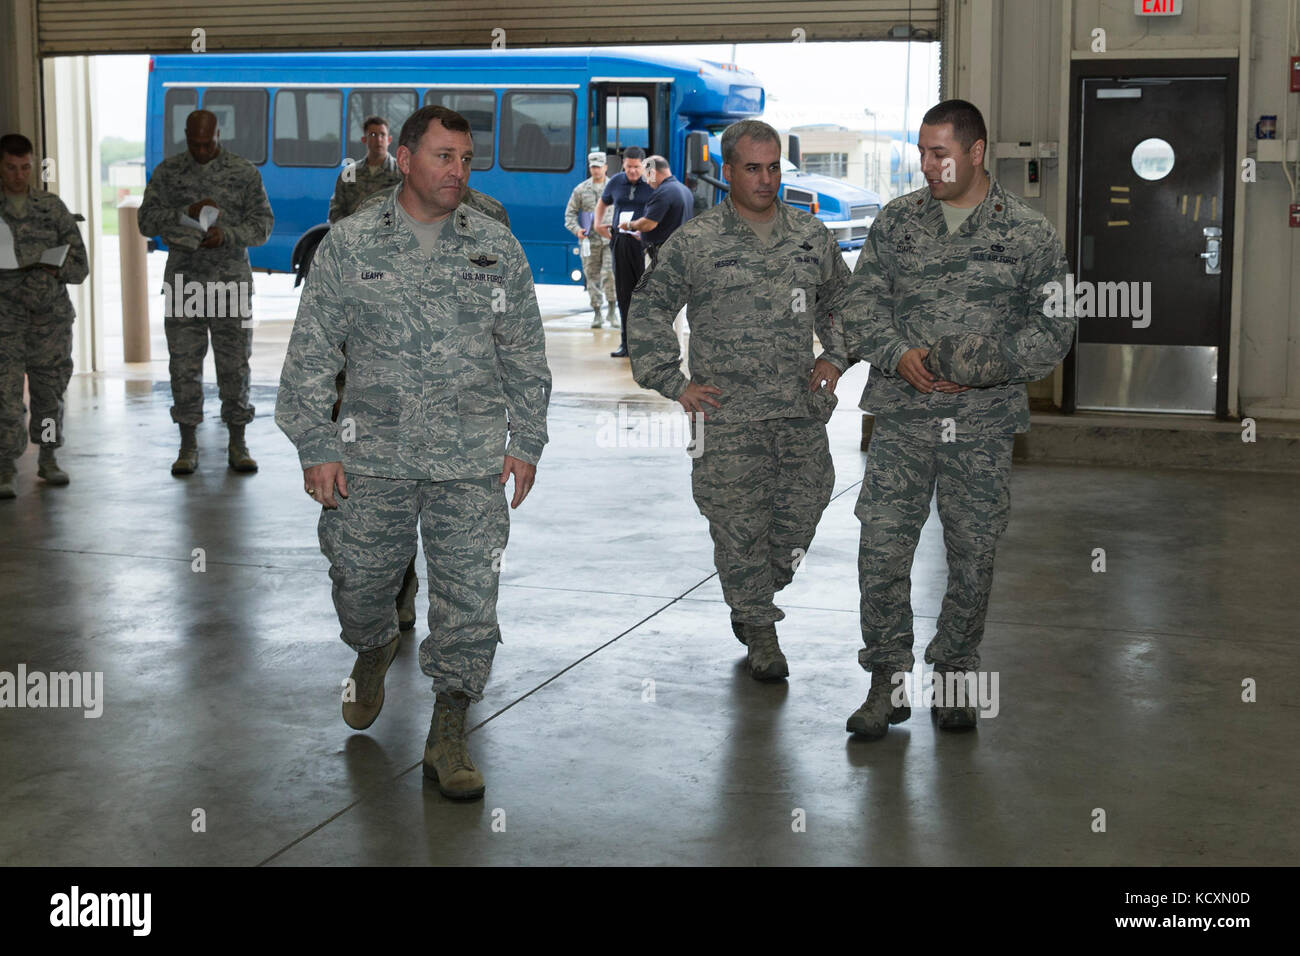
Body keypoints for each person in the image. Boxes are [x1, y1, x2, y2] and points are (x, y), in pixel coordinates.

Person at [275, 105, 551, 801]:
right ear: (403, 159)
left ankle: (448, 727)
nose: (458, 170)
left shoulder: (495, 248)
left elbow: (524, 353)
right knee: (358, 579)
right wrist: (315, 444)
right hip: (371, 456)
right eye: (442, 156)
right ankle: (372, 646)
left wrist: (528, 442)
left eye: (465, 158)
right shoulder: (351, 243)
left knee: (469, 599)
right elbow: (310, 354)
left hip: (471, 458)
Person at [841, 99, 1072, 739]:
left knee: (973, 555)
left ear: (976, 151)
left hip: (981, 425)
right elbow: (860, 306)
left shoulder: (1029, 234)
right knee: (881, 550)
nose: (928, 165)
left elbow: (1056, 329)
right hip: (903, 419)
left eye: (940, 152)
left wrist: (978, 362)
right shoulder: (897, 223)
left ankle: (956, 678)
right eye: (921, 151)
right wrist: (897, 354)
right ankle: (887, 684)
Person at [628, 119, 849, 682]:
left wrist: (835, 356)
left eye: (774, 167)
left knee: (802, 512)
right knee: (737, 524)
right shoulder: (698, 242)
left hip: (798, 409)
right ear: (727, 172)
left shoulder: (809, 235)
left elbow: (847, 302)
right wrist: (673, 382)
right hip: (724, 416)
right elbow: (650, 307)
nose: (766, 179)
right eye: (753, 168)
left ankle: (750, 592)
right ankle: (760, 628)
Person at [138, 109, 274, 476]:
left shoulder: (244, 172)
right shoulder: (169, 173)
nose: (201, 150)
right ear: (186, 135)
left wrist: (226, 234)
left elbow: (263, 226)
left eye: (207, 143)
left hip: (231, 285)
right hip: (185, 283)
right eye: (194, 144)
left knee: (235, 366)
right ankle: (187, 444)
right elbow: (146, 221)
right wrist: (184, 211)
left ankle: (238, 442)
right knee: (183, 367)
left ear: (219, 135)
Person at [0, 133, 89, 498]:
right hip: (5, 320)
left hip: (50, 320)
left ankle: (48, 457)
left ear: (33, 165)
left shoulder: (53, 208)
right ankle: (6, 466)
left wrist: (56, 268)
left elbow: (80, 266)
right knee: (4, 397)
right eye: (10, 167)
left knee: (49, 395)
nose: (19, 175)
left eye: (25, 167)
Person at [594, 146, 652, 357]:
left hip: (643, 245)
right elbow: (603, 202)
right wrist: (597, 223)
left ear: (643, 165)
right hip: (621, 242)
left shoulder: (652, 183)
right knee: (624, 293)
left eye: (636, 167)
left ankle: (645, 344)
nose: (633, 171)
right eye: (628, 167)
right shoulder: (616, 181)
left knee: (644, 293)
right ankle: (626, 343)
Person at [564, 151, 617, 328]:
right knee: (591, 276)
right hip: (589, 241)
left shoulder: (614, 188)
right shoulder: (580, 190)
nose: (596, 170)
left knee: (609, 274)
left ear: (605, 167)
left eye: (599, 167)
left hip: (609, 240)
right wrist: (577, 230)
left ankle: (611, 310)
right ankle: (597, 312)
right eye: (593, 167)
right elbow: (569, 214)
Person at [327, 115, 403, 223]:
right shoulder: (350, 173)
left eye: (382, 134)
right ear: (364, 139)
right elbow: (335, 210)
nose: (378, 139)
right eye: (373, 134)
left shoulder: (401, 172)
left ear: (389, 139)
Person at [627, 155, 693, 267]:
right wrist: (643, 234)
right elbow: (670, 222)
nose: (647, 182)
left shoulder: (663, 193)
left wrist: (629, 225)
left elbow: (648, 224)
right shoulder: (684, 190)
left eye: (646, 176)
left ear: (653, 172)